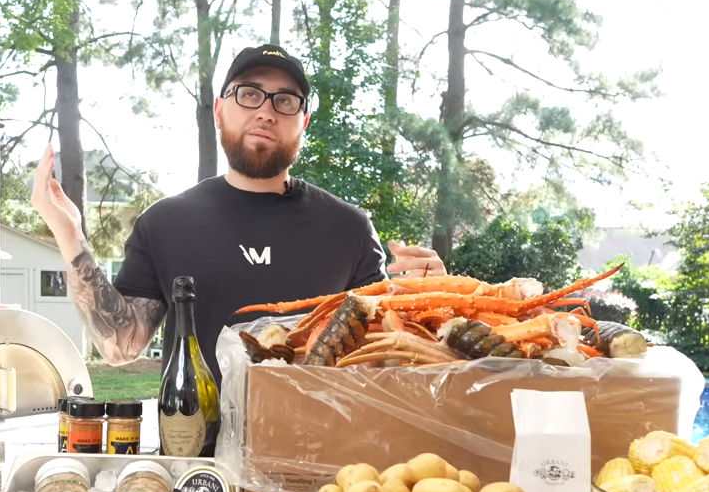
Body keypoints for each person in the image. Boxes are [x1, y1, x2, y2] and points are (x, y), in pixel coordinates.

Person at [30, 43, 446, 389]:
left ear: (303, 122)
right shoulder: (165, 223)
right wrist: (71, 238)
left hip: (321, 465)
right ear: (219, 110)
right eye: (249, 93)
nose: (266, 111)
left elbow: (383, 357)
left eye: (284, 101)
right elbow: (121, 345)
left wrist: (431, 305)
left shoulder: (349, 229)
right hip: (197, 463)